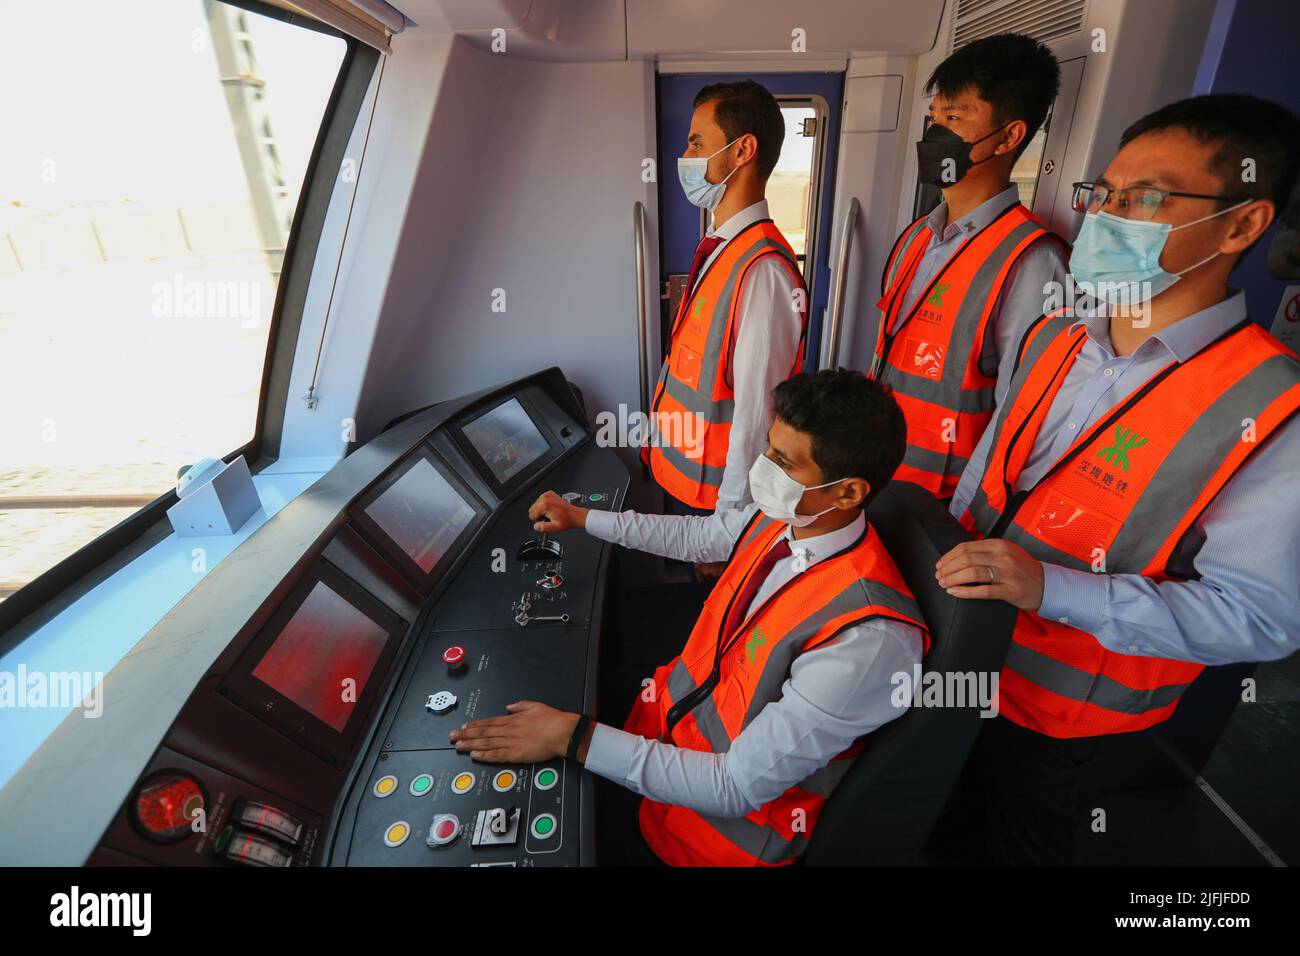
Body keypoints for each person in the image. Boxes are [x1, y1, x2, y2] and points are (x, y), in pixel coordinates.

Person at [936, 93, 1300, 864]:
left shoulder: (1272, 406)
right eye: (1103, 194)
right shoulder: (1055, 335)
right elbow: (986, 482)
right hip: (956, 661)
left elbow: (1261, 616)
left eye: (1145, 198)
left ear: (1241, 224)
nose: (1106, 216)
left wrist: (1054, 590)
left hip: (1068, 728)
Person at [451, 370, 929, 866]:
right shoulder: (786, 520)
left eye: (783, 462)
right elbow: (700, 537)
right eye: (769, 448)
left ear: (847, 493)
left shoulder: (869, 640)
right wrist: (583, 519)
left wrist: (571, 737)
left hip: (705, 835)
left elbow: (734, 786)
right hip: (661, 731)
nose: (762, 469)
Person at [871, 33, 1069, 501]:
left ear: (1009, 136)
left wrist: (966, 522)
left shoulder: (1033, 261)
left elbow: (1021, 416)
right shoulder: (916, 238)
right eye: (934, 118)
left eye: (955, 118)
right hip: (880, 483)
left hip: (946, 507)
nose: (935, 134)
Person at [643, 79, 807, 544]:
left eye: (697, 142)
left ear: (742, 151)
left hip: (720, 507)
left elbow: (758, 414)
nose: (687, 155)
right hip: (690, 485)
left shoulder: (763, 270)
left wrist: (731, 528)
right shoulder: (722, 248)